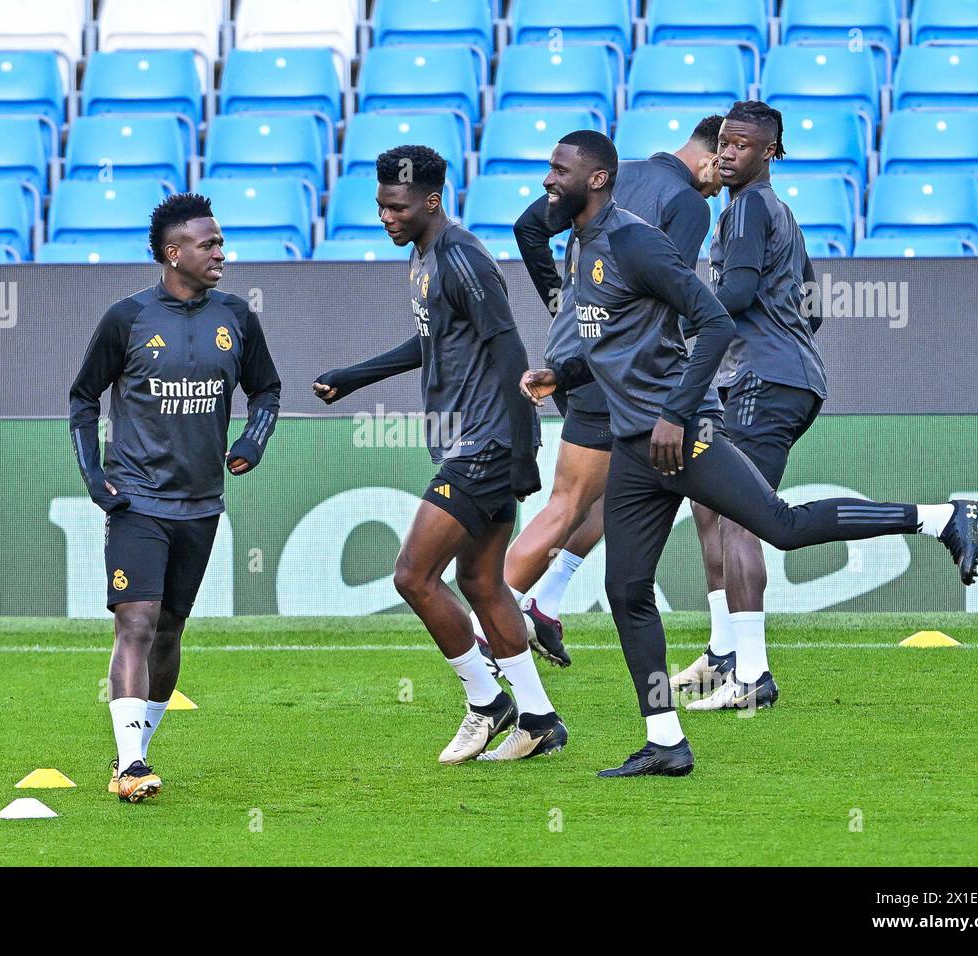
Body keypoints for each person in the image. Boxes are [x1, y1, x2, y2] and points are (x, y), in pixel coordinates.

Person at [519, 130, 978, 777]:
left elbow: (715, 324)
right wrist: (559, 377)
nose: (547, 179)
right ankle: (665, 740)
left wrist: (678, 414)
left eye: (557, 169)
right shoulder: (580, 246)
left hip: (683, 435)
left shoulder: (636, 241)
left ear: (596, 179)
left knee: (781, 527)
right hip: (633, 444)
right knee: (627, 592)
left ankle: (940, 518)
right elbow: (614, 341)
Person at [313, 145, 567, 763]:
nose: (385, 218)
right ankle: (538, 720)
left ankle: (487, 702)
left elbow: (509, 349)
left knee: (413, 576)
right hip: (474, 439)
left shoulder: (462, 258)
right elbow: (432, 337)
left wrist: (521, 451)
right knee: (480, 581)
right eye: (379, 206)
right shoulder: (425, 256)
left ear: (432, 201)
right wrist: (356, 376)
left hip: (486, 443)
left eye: (396, 206)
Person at [69, 192, 282, 802]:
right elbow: (83, 398)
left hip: (202, 502)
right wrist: (94, 477)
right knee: (135, 622)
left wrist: (253, 440)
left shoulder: (237, 317)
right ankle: (133, 766)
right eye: (208, 243)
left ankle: (132, 749)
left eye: (220, 242)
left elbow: (266, 390)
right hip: (136, 500)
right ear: (173, 252)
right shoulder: (126, 319)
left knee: (169, 630)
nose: (221, 252)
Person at [502, 115, 728, 668]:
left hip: (574, 357)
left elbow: (528, 228)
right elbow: (666, 292)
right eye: (724, 167)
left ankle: (543, 604)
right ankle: (495, 620)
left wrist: (563, 304)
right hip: (616, 370)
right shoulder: (689, 203)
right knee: (573, 502)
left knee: (622, 491)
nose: (723, 183)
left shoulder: (608, 174)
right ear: (708, 158)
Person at [675, 101, 827, 709]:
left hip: (765, 380)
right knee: (713, 508)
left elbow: (734, 292)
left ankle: (751, 675)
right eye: (724, 144)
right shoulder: (778, 211)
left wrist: (670, 315)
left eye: (742, 145)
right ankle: (727, 654)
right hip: (779, 377)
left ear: (769, 152)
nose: (728, 154)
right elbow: (812, 304)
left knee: (742, 517)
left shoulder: (744, 209)